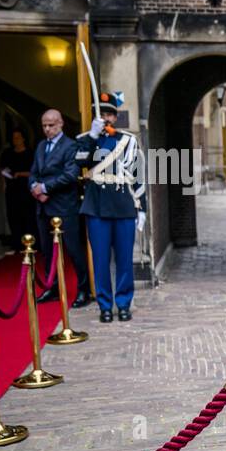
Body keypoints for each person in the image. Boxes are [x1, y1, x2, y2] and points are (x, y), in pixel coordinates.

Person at [78, 93, 144, 322]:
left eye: (109, 114)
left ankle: (124, 303)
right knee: (100, 260)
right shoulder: (86, 139)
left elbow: (137, 176)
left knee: (125, 259)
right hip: (96, 206)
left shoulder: (128, 140)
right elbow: (80, 161)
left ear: (115, 117)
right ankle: (105, 306)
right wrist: (92, 137)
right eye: (101, 114)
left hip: (123, 204)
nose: (105, 118)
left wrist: (142, 208)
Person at [29, 109, 97, 308]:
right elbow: (33, 171)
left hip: (64, 206)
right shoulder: (41, 146)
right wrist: (34, 187)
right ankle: (53, 288)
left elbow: (71, 174)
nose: (47, 129)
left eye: (51, 125)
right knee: (48, 252)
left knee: (74, 249)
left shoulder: (71, 145)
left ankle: (84, 290)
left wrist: (46, 187)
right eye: (44, 125)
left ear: (60, 123)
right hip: (42, 206)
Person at [0, 128, 37, 249]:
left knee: (29, 215)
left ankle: (31, 243)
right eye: (13, 137)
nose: (15, 140)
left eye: (18, 137)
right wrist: (4, 184)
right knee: (13, 215)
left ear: (23, 138)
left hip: (27, 188)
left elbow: (36, 172)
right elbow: (2, 169)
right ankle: (17, 244)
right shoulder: (7, 153)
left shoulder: (31, 153)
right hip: (12, 188)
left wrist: (20, 174)